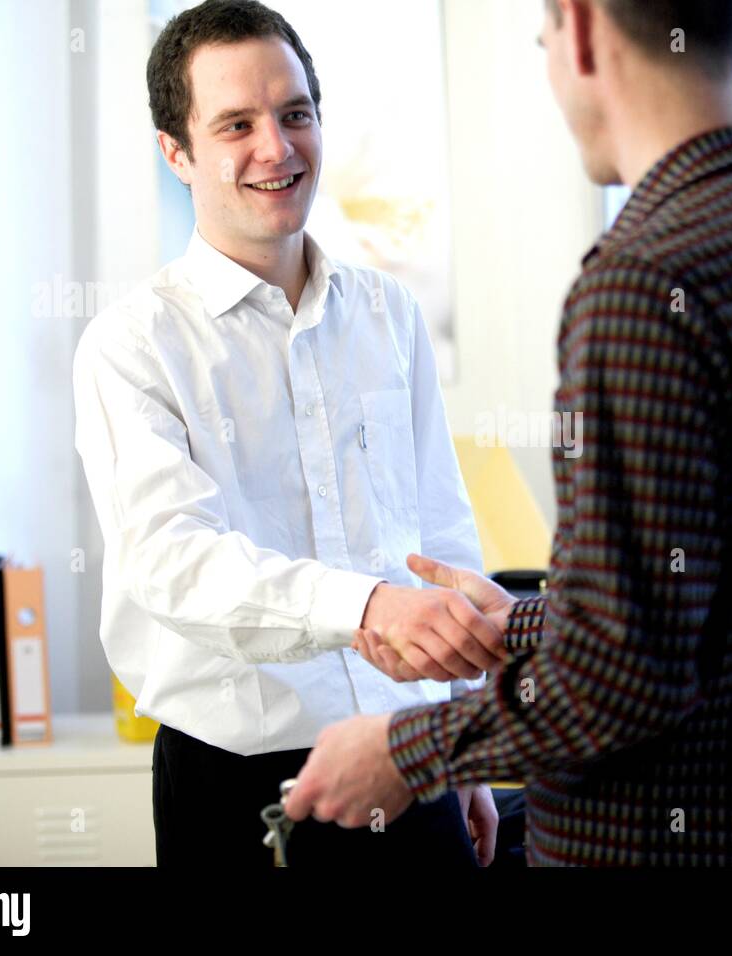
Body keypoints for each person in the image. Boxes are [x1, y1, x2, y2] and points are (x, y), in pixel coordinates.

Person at [283, 0, 732, 866]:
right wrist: (526, 624)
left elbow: (620, 682)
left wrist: (400, 752)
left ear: (576, 26)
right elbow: (709, 604)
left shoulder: (644, 280)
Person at [72, 0, 501, 867]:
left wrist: (466, 745)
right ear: (177, 153)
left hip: (408, 757)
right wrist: (366, 608)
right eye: (236, 124)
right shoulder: (131, 345)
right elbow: (176, 563)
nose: (277, 147)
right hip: (236, 787)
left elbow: (439, 530)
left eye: (295, 113)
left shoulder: (390, 313)